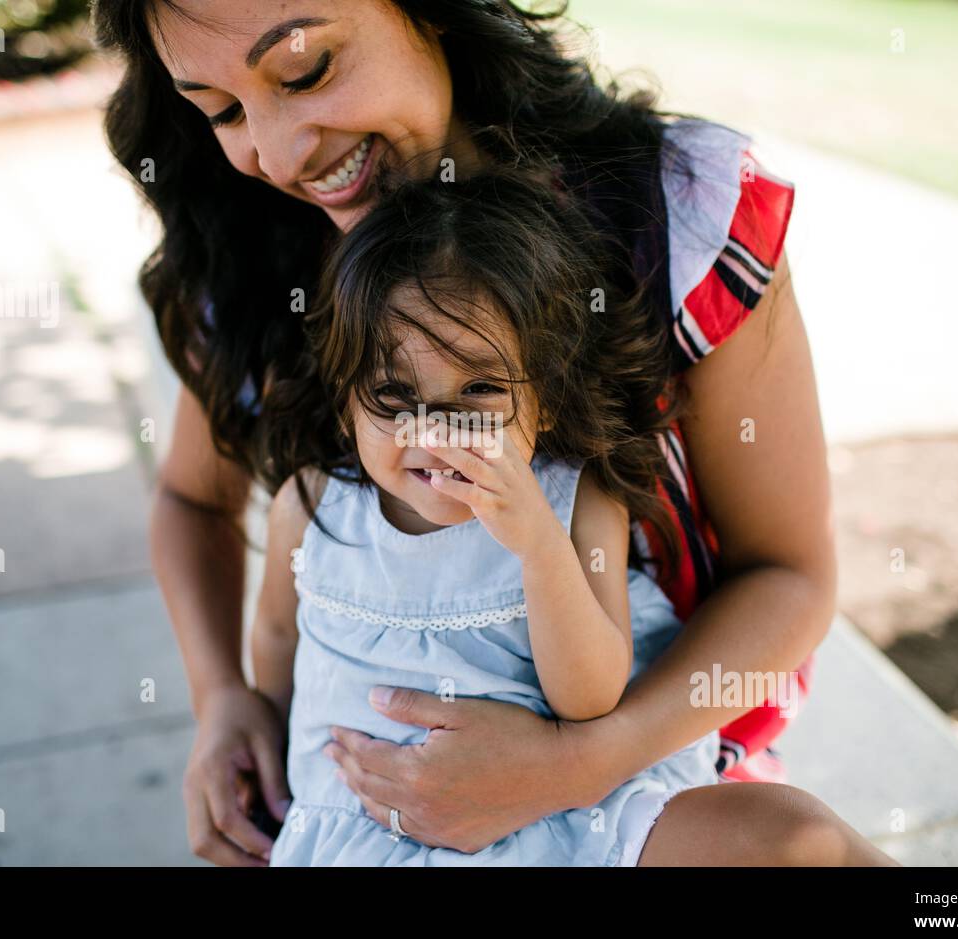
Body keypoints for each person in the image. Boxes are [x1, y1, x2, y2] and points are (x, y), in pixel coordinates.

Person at [94, 0, 846, 865]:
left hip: (646, 785)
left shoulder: (671, 212)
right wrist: (223, 697)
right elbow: (193, 500)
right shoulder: (252, 252)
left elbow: (788, 577)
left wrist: (576, 765)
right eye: (221, 110)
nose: (278, 151)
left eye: (306, 72)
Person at [251, 171, 890, 865]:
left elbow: (589, 697)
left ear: (546, 399)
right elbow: (279, 637)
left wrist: (537, 545)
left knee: (792, 835)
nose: (433, 428)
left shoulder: (574, 501)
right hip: (371, 835)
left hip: (569, 826)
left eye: (481, 389)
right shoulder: (314, 507)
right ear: (347, 400)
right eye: (393, 394)